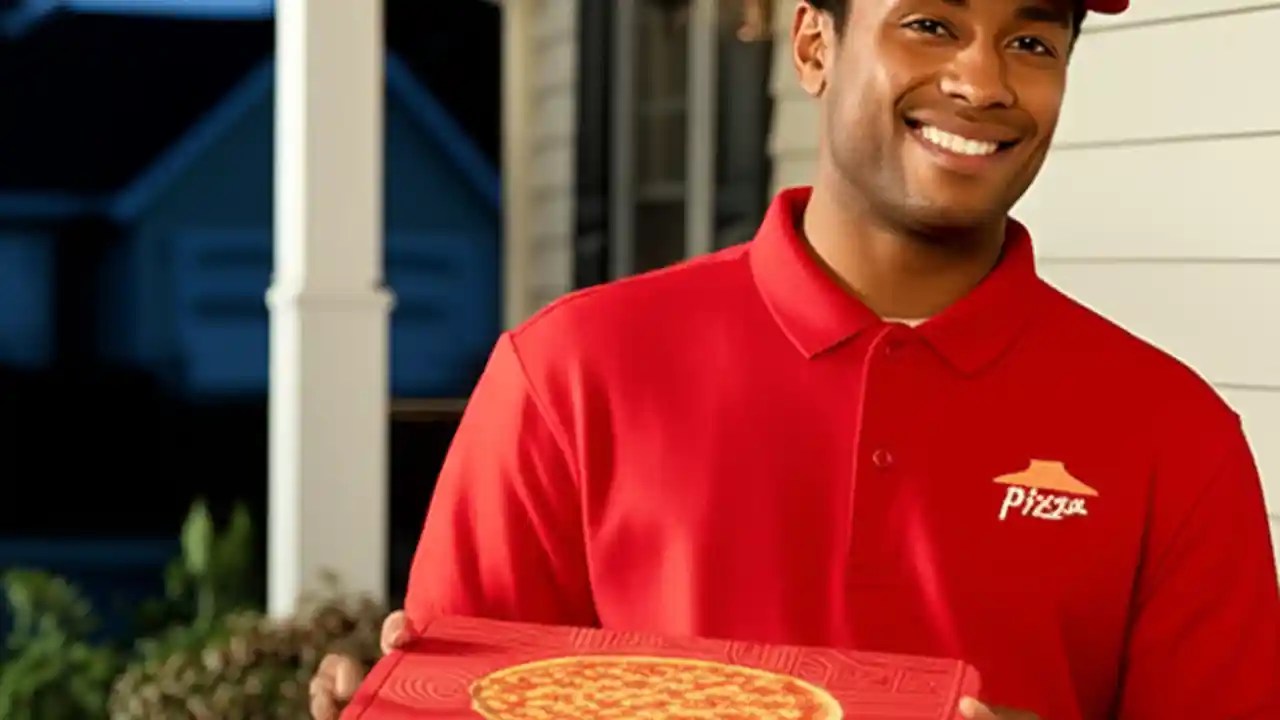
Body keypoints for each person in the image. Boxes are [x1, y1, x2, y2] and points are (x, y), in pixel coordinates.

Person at [311, 0, 1280, 718]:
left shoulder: (1171, 436)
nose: (982, 83)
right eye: (930, 24)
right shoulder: (569, 372)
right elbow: (468, 698)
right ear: (813, 45)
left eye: (1030, 42)